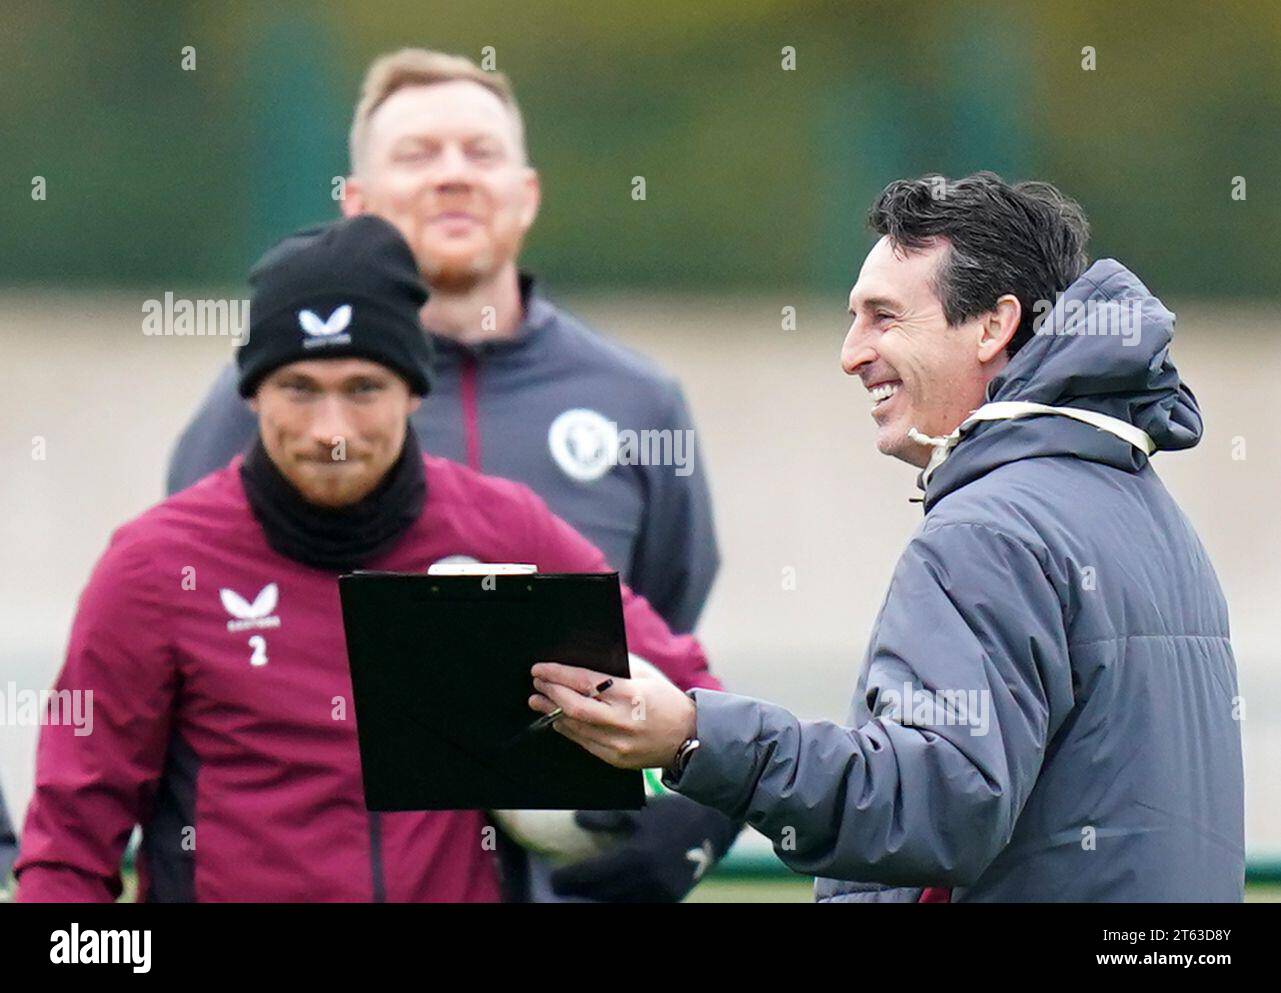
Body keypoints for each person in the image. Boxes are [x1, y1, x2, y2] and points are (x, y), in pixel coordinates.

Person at [528, 172, 1246, 902]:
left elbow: (930, 807)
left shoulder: (988, 530)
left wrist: (692, 735)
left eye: (882, 317)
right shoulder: (1148, 517)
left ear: (994, 326)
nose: (849, 353)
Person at [15, 216, 737, 903]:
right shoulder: (155, 567)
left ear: (414, 391)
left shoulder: (504, 531)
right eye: (299, 388)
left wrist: (690, 821)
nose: (331, 430)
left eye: (363, 389)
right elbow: (70, 843)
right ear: (253, 393)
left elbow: (694, 693)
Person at [166, 49, 718, 637]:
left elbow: (664, 621)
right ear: (357, 204)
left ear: (527, 194)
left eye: (481, 152)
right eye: (417, 154)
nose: (453, 175)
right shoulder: (275, 391)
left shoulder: (637, 399)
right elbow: (193, 589)